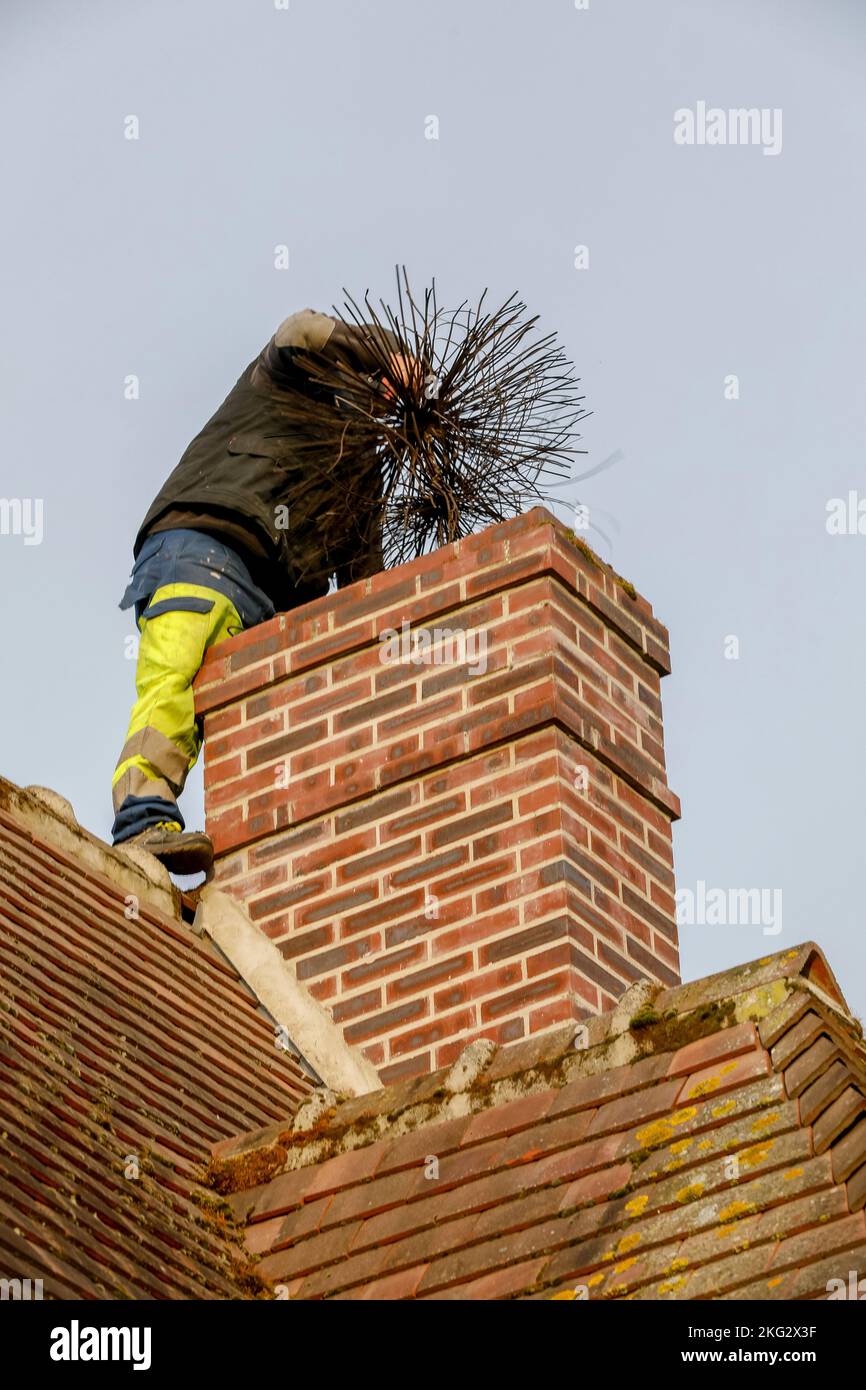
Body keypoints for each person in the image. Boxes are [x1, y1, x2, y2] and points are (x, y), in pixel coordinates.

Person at [111, 308, 415, 874]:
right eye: (378, 383)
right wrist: (383, 351)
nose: (379, 401)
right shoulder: (286, 380)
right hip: (203, 546)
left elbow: (363, 587)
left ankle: (264, 866)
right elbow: (300, 330)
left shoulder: (358, 469)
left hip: (271, 604)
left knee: (254, 722)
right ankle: (140, 817)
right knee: (174, 680)